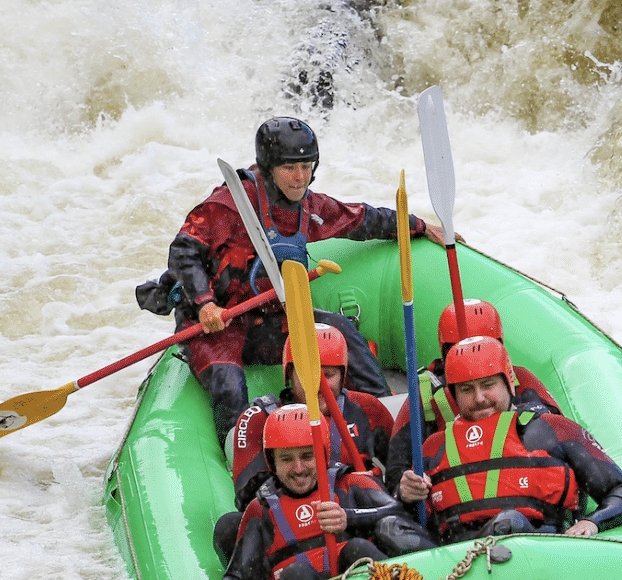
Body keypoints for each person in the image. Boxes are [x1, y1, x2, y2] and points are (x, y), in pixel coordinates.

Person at [167, 116, 449, 441]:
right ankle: (244, 466)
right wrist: (204, 304)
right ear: (269, 167)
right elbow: (183, 253)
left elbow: (360, 219)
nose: (301, 178)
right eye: (290, 168)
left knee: (340, 332)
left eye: (307, 166)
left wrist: (420, 226)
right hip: (218, 326)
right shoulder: (227, 206)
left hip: (273, 321)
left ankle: (386, 427)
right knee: (228, 386)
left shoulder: (308, 206)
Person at [190, 406, 432, 580]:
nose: (298, 469)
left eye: (307, 456)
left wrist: (350, 517)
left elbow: (398, 512)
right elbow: (239, 574)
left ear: (324, 454)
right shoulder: (260, 509)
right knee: (295, 574)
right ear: (272, 462)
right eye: (286, 459)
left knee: (357, 547)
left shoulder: (350, 483)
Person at [397, 337, 622, 543]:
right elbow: (420, 522)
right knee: (389, 527)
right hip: (457, 562)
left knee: (509, 521)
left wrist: (592, 522)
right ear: (454, 394)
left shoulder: (552, 429)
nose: (479, 398)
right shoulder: (433, 447)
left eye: (488, 385)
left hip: (536, 548)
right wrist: (406, 495)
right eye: (467, 390)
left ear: (508, 382)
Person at [383, 299, 560, 496]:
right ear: (444, 353)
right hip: (459, 506)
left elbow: (562, 441)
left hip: (523, 494)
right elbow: (395, 474)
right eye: (458, 349)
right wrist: (407, 488)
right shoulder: (427, 394)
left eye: (485, 346)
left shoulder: (522, 379)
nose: (471, 357)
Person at [225, 325, 394, 510]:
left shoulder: (368, 408)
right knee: (229, 525)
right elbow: (248, 500)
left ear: (343, 375)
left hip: (356, 519)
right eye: (307, 375)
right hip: (291, 524)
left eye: (328, 375)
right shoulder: (258, 419)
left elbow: (399, 472)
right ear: (289, 374)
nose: (318, 385)